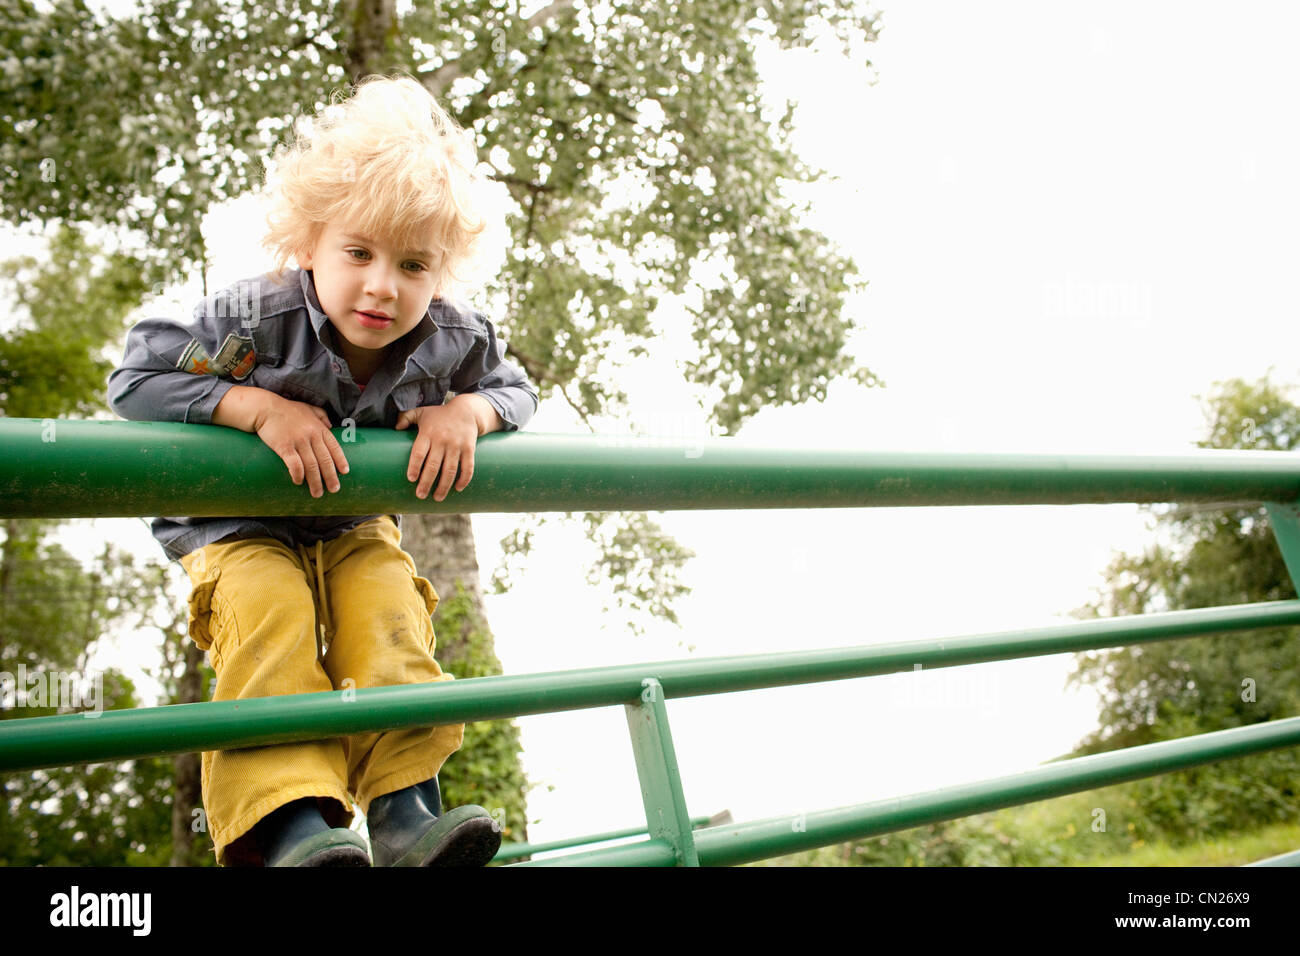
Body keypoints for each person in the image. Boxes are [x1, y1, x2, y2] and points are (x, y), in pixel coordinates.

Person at [107, 73, 539, 867]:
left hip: (349, 518)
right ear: (309, 245)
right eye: (358, 252)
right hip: (237, 526)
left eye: (414, 266)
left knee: (388, 609)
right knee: (269, 616)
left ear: (440, 273)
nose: (382, 285)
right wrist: (254, 408)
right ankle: (290, 825)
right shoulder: (254, 320)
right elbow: (136, 376)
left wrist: (467, 413)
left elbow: (515, 388)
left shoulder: (454, 339)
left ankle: (406, 812)